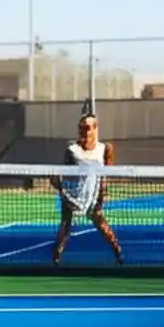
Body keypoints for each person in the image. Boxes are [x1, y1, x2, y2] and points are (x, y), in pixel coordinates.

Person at [51, 113, 124, 266]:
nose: (84, 131)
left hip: (93, 195)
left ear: (95, 129)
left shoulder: (105, 149)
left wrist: (103, 192)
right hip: (73, 195)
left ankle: (118, 253)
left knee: (102, 225)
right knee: (65, 228)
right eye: (81, 128)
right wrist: (60, 186)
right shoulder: (72, 149)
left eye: (88, 128)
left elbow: (106, 172)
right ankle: (56, 259)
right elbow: (63, 171)